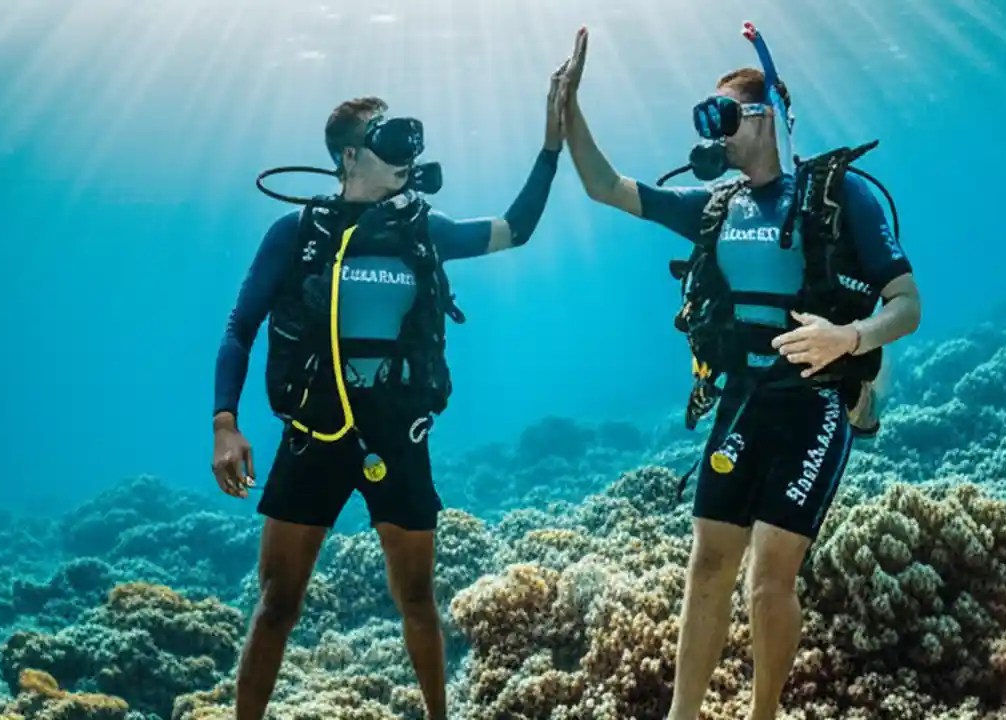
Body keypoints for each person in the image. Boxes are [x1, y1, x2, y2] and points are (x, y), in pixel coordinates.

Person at [555, 25, 921, 720]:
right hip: (743, 398)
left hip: (813, 399)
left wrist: (851, 336)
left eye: (722, 116)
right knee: (707, 568)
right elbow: (604, 185)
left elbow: (907, 303)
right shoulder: (714, 209)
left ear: (762, 118)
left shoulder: (841, 199)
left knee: (766, 581)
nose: (713, 133)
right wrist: (570, 108)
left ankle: (763, 715)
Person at [209, 66, 567, 720]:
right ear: (349, 155)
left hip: (397, 439)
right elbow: (240, 329)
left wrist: (551, 145)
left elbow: (517, 228)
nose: (406, 154)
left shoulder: (422, 230)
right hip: (313, 436)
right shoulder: (297, 235)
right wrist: (224, 423)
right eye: (388, 140)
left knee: (418, 601)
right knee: (277, 604)